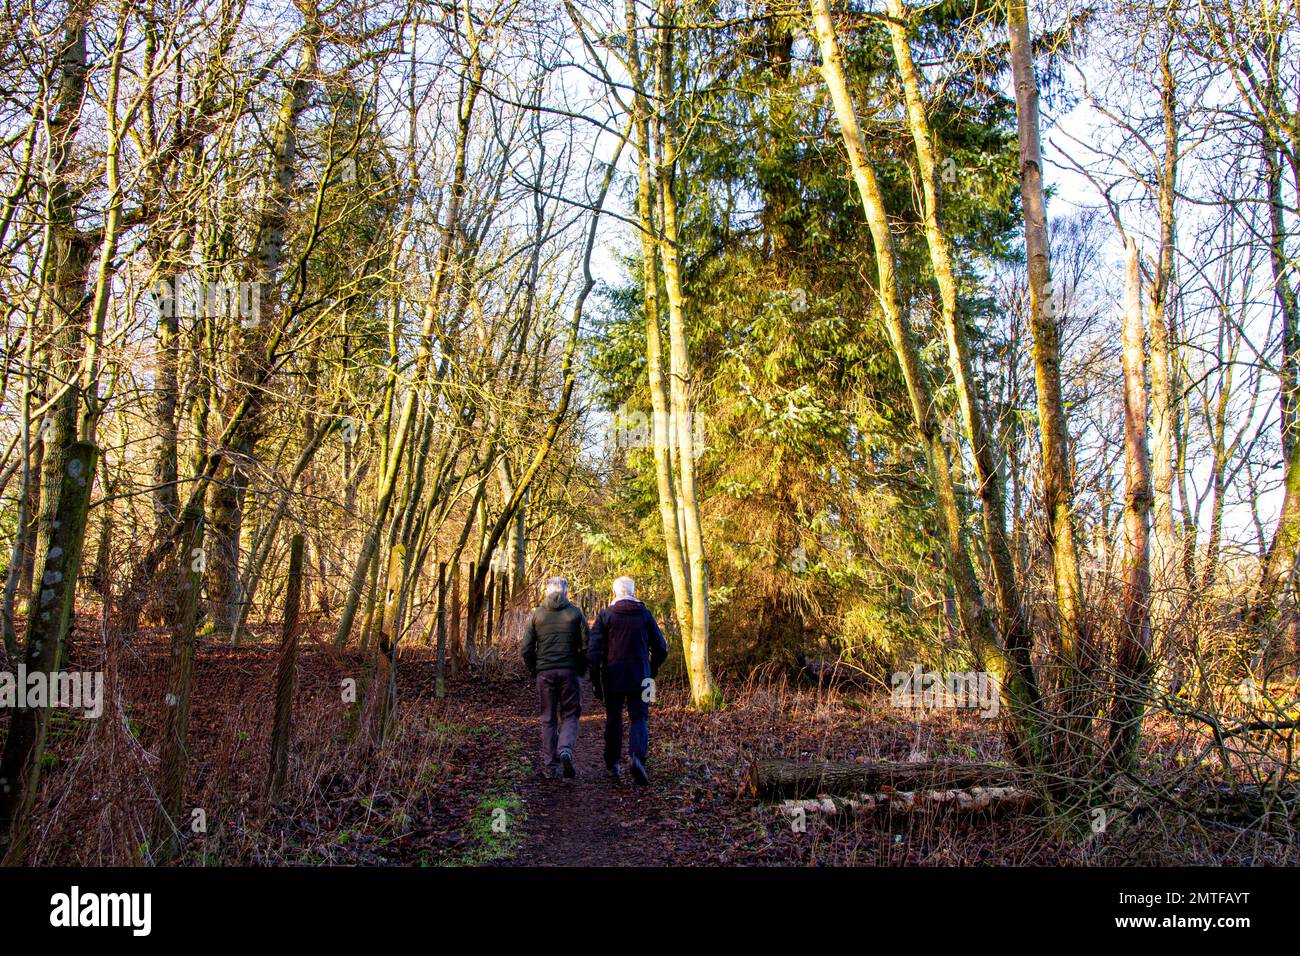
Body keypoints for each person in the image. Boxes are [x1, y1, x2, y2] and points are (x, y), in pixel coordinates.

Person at [588, 576, 668, 785]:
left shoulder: (606, 615)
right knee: (639, 718)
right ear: (632, 592)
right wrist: (652, 668)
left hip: (612, 675)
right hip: (640, 675)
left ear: (615, 592)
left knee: (613, 718)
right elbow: (661, 647)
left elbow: (594, 650)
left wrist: (595, 678)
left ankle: (613, 763)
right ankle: (637, 758)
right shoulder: (644, 615)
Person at [522, 577, 589, 780]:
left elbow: (526, 649)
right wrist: (581, 669)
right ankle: (565, 749)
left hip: (545, 673)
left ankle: (550, 767)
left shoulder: (536, 615)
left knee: (548, 719)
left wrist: (535, 669)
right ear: (566, 592)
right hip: (569, 672)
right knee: (570, 714)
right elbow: (587, 645)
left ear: (546, 591)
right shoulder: (576, 613)